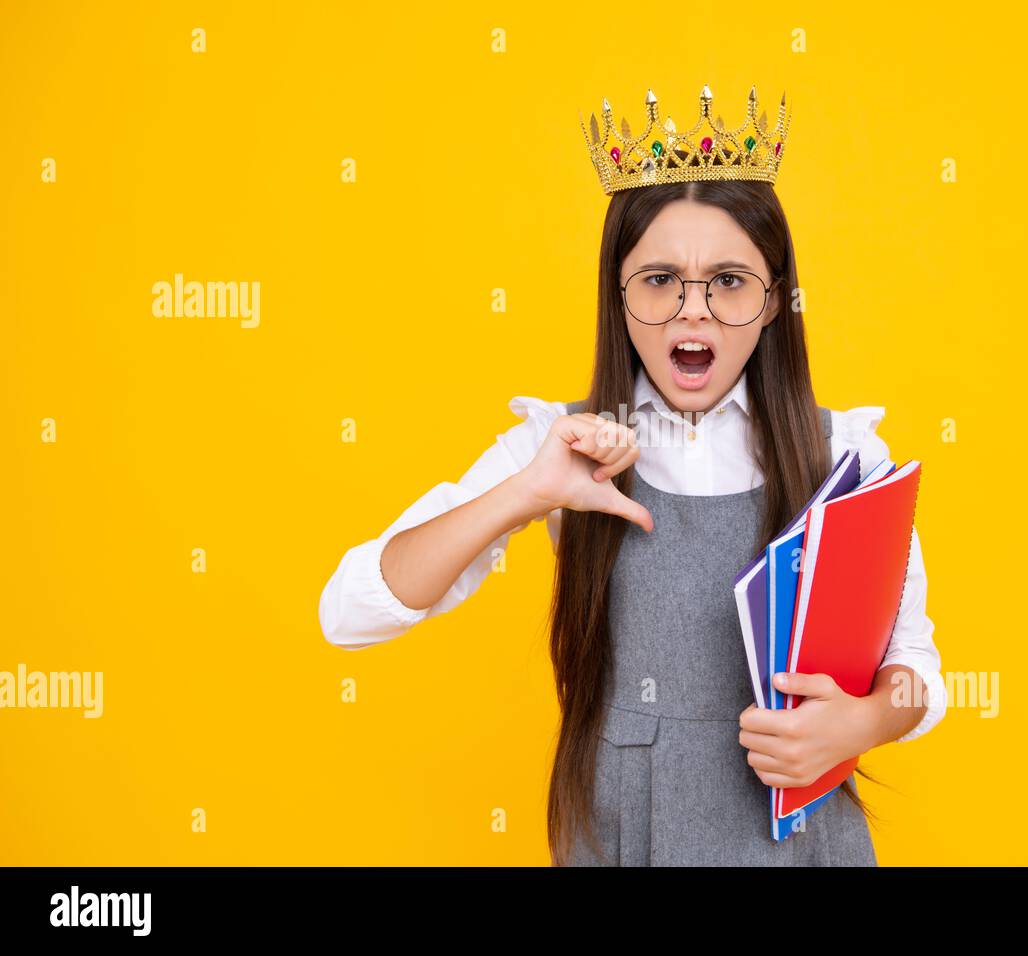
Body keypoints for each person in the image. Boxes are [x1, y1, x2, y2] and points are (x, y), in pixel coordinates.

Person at [319, 85, 946, 865]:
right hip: (625, 838)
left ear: (776, 300)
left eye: (728, 281)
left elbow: (916, 671)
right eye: (657, 281)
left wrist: (862, 723)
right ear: (617, 299)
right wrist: (527, 493)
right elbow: (349, 612)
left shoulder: (845, 456)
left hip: (802, 842)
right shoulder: (557, 446)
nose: (693, 311)